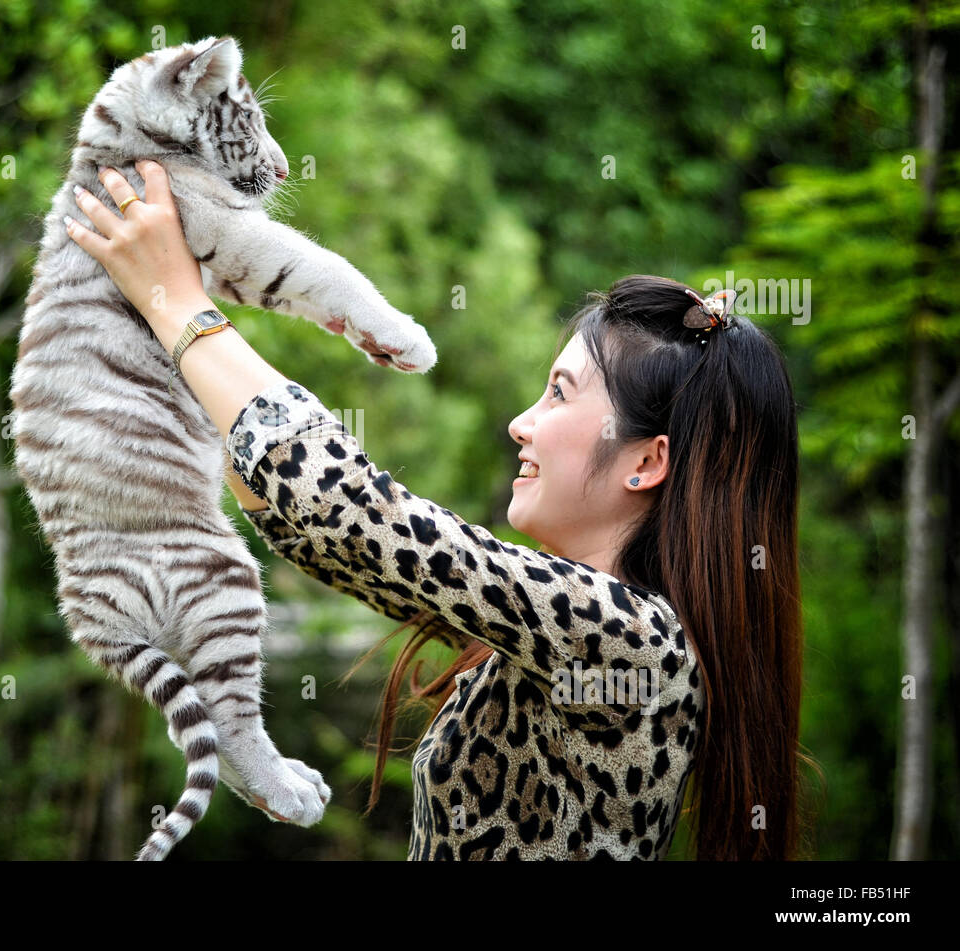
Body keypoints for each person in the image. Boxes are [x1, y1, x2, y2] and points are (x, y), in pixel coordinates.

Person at [62, 159, 813, 860]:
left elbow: (349, 510)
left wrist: (179, 304)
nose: (521, 422)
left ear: (648, 461)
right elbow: (318, 525)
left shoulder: (633, 643)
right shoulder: (566, 627)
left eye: (559, 393)